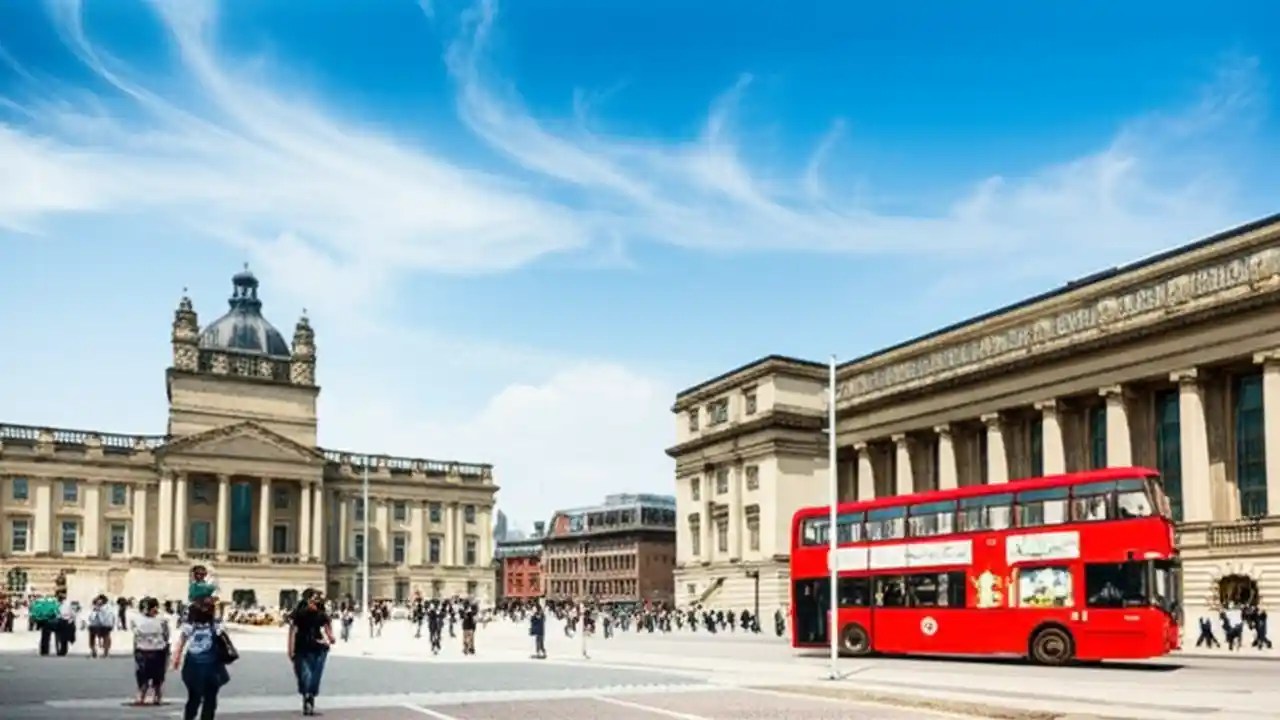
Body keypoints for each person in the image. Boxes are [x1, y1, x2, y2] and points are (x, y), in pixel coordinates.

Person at [171, 598, 230, 720]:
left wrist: (176, 659)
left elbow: (180, 643)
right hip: (211, 667)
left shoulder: (190, 626)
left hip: (194, 666)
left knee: (194, 697)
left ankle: (189, 717)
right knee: (209, 699)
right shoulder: (216, 625)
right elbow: (224, 641)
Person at [288, 589, 334, 717]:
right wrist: (290, 649)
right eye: (313, 599)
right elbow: (292, 631)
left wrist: (330, 638)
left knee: (311, 675)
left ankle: (309, 699)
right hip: (306, 647)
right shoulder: (302, 614)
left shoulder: (315, 614)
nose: (315, 602)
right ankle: (308, 699)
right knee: (307, 675)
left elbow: (327, 629)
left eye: (316, 599)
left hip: (312, 647)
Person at [131, 597, 170, 706]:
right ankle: (141, 694)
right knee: (142, 675)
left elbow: (166, 635)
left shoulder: (162, 620)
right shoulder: (136, 619)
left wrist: (166, 649)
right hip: (142, 650)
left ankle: (157, 695)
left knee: (158, 676)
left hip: (158, 649)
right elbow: (135, 636)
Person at [87, 594, 115, 658]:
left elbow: (104, 616)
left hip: (104, 624)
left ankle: (105, 651)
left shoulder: (106, 607)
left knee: (106, 636)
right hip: (97, 624)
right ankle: (94, 650)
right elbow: (91, 616)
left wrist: (97, 609)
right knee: (94, 635)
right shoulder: (96, 607)